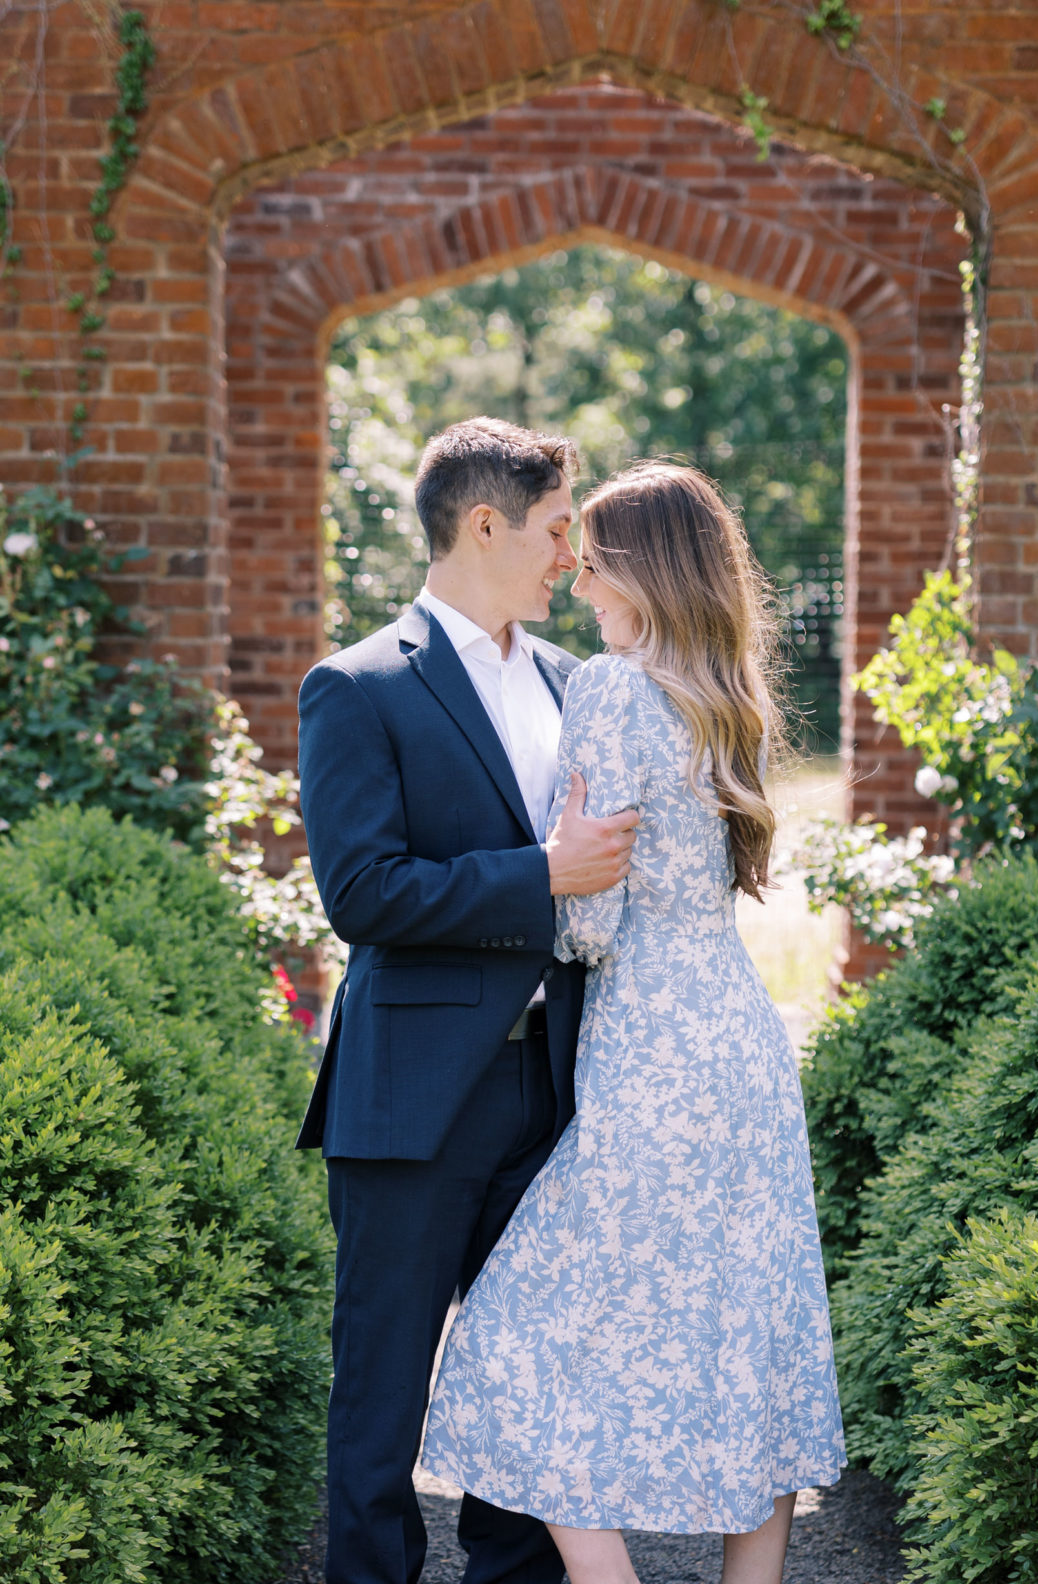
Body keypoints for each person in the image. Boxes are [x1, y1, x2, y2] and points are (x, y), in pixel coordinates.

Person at [422, 462, 846, 1584]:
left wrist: (552, 871)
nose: (576, 573)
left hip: (651, 1048)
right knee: (746, 1330)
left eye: (594, 556)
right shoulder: (732, 695)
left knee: (520, 1330)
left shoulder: (612, 689)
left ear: (645, 574)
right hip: (744, 1044)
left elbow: (591, 927)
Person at [296, 417, 640, 1584]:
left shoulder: (572, 682)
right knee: (382, 1395)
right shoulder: (356, 686)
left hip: (553, 1093)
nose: (571, 560)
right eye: (556, 533)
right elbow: (363, 891)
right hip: (410, 1102)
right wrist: (541, 872)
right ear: (485, 522)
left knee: (529, 1391)